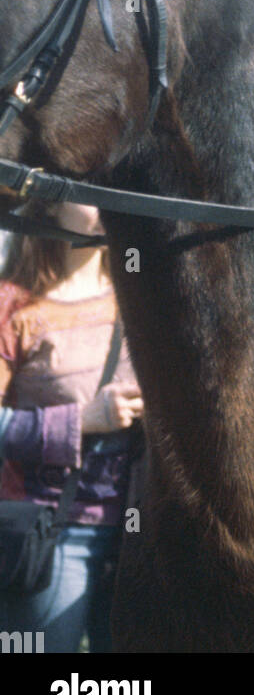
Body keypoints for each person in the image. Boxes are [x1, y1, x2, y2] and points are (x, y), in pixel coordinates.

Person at [0, 202, 142, 652]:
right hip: (50, 535)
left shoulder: (140, 291)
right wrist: (82, 422)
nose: (108, 198)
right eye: (88, 188)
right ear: (51, 200)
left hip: (144, 535)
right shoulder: (11, 305)